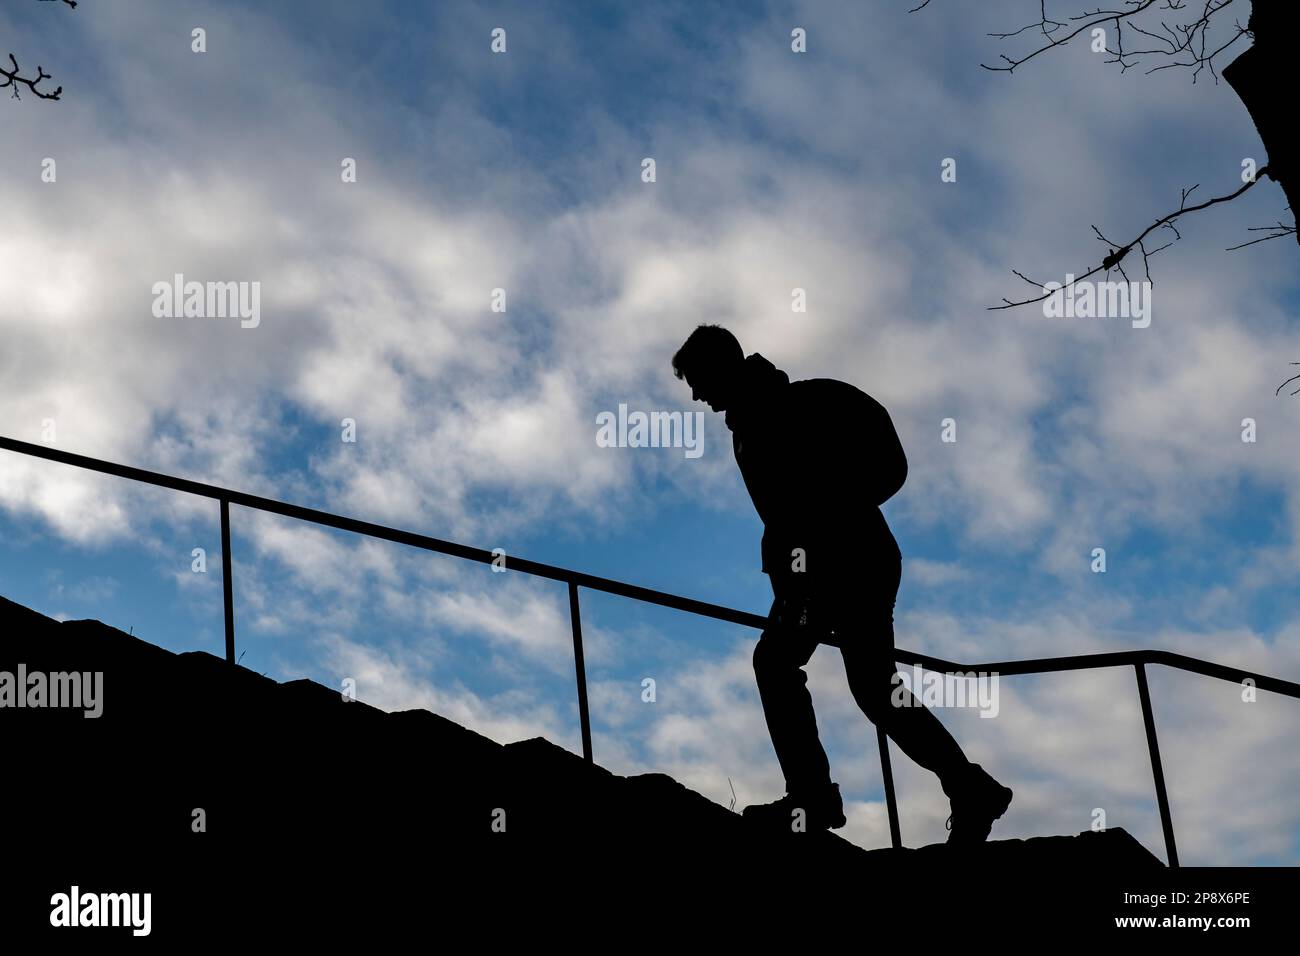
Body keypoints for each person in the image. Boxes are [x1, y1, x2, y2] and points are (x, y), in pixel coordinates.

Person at [671, 324, 1012, 845]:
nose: (696, 394)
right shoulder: (753, 425)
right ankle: (966, 786)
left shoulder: (802, 403)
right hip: (831, 571)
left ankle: (814, 799)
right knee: (871, 685)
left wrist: (828, 521)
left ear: (721, 366)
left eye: (698, 379)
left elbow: (886, 467)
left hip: (844, 569)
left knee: (782, 665)